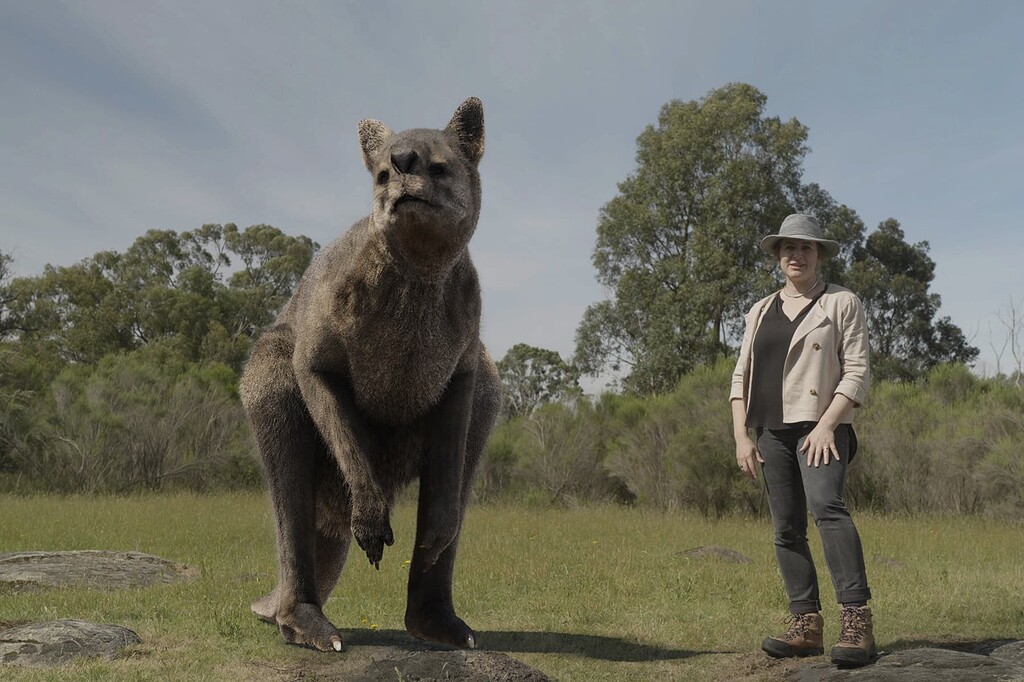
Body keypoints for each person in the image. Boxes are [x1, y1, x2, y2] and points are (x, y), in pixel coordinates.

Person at [729, 213, 875, 667]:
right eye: (788, 248)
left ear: (818, 255)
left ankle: (857, 621)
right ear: (778, 255)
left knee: (828, 510)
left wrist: (829, 424)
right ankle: (805, 625)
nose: (796, 255)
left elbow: (858, 370)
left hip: (822, 427)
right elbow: (742, 375)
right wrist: (741, 437)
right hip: (770, 430)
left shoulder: (841, 302)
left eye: (806, 248)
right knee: (786, 527)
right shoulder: (758, 309)